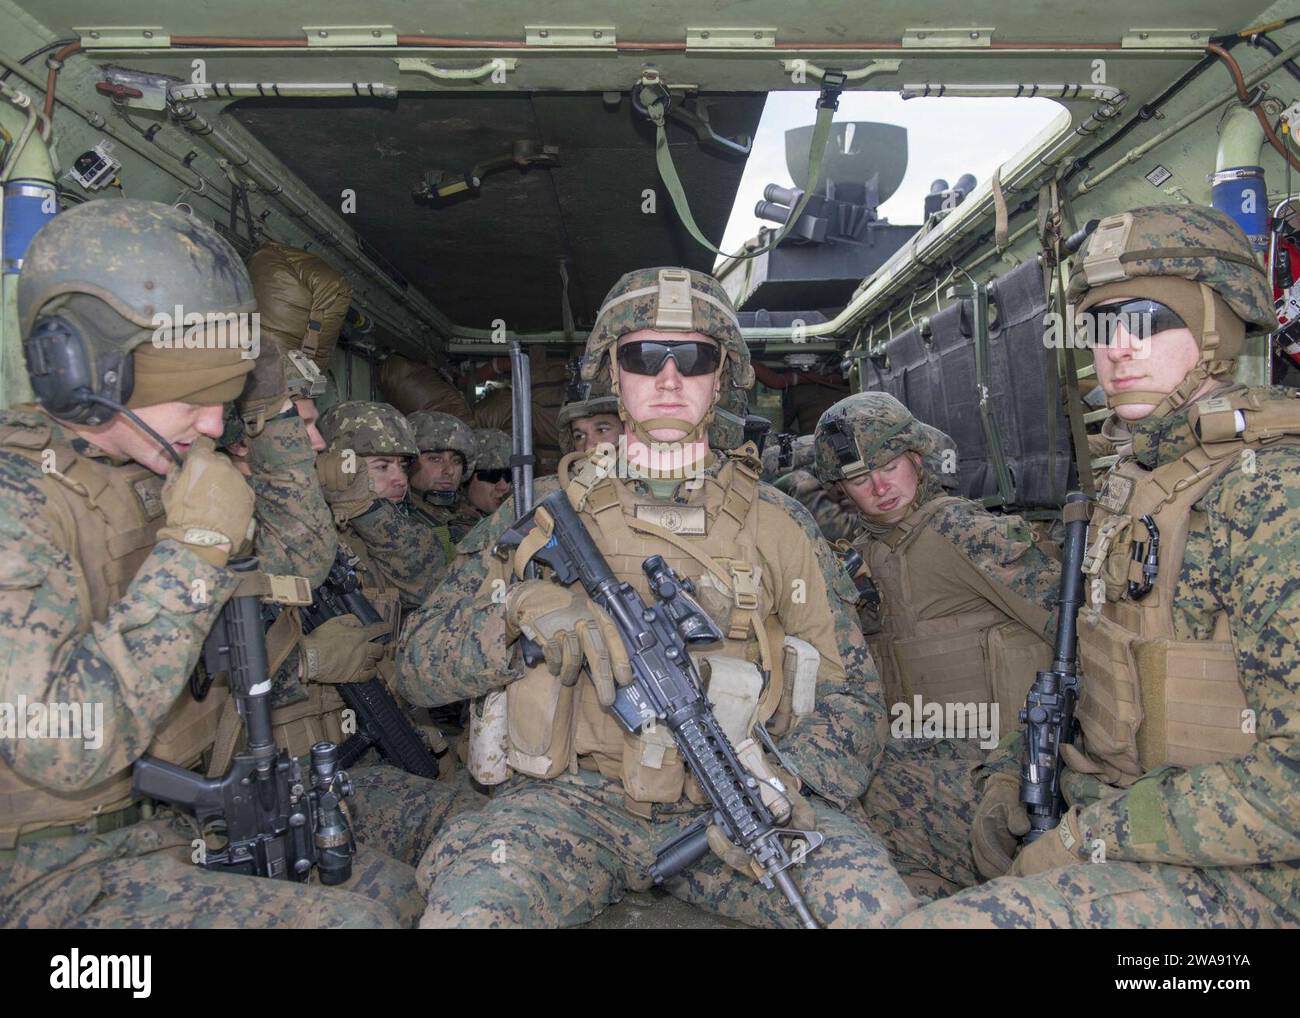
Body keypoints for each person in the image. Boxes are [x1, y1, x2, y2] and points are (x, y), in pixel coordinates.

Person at [397, 266, 916, 929]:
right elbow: (415, 669)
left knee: (874, 911)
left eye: (692, 357)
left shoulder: (779, 524)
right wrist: (518, 621)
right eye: (644, 356)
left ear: (720, 374)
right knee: (469, 912)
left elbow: (855, 700)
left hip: (733, 806)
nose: (668, 378)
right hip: (572, 807)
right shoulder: (541, 523)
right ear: (614, 373)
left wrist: (782, 781)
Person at [0, 199, 414, 928]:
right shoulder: (20, 500)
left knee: (393, 890)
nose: (216, 425)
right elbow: (66, 747)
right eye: (195, 397)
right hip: (48, 877)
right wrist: (191, 549)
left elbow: (295, 565)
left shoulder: (158, 475)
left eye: (225, 398)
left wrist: (277, 414)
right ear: (83, 372)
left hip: (170, 831)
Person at [902, 203, 1300, 928]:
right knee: (888, 801)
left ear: (1214, 326)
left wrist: (1089, 839)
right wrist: (1009, 776)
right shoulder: (1137, 481)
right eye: (1097, 325)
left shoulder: (1273, 492)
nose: (1115, 348)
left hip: (1247, 870)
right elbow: (1091, 684)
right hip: (1120, 804)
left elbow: (1290, 787)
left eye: (1147, 319)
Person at [810, 392, 1060, 899]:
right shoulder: (859, 558)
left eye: (889, 467)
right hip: (925, 765)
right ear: (841, 490)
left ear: (917, 461)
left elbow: (1075, 635)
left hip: (999, 773)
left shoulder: (960, 530)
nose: (879, 488)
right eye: (860, 479)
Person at [317, 401, 448, 611]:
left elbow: (431, 588)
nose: (401, 480)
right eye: (382, 466)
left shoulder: (401, 523)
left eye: (403, 466)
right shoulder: (316, 530)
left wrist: (367, 511)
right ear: (338, 466)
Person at [407, 410, 479, 557]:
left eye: (457, 461)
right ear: (409, 463)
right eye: (435, 459)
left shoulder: (469, 519)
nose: (450, 470)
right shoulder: (397, 519)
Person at [463, 427, 513, 519]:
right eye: (493, 476)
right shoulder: (445, 525)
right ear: (466, 478)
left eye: (509, 475)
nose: (503, 486)